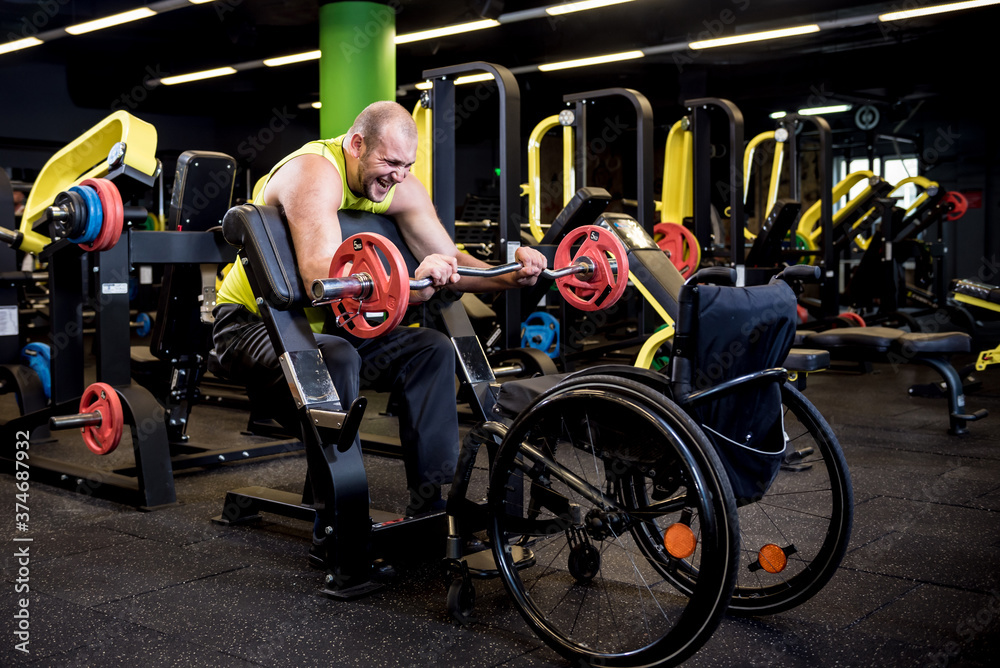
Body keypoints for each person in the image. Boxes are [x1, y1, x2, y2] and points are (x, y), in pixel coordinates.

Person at [212, 100, 546, 523]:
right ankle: (336, 526)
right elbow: (322, 276)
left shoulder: (398, 185)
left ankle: (430, 504)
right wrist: (411, 284)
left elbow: (448, 260)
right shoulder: (315, 173)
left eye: (407, 164)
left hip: (326, 328)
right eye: (389, 161)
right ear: (355, 144)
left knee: (431, 349)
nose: (399, 175)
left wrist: (510, 275)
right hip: (254, 324)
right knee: (337, 357)